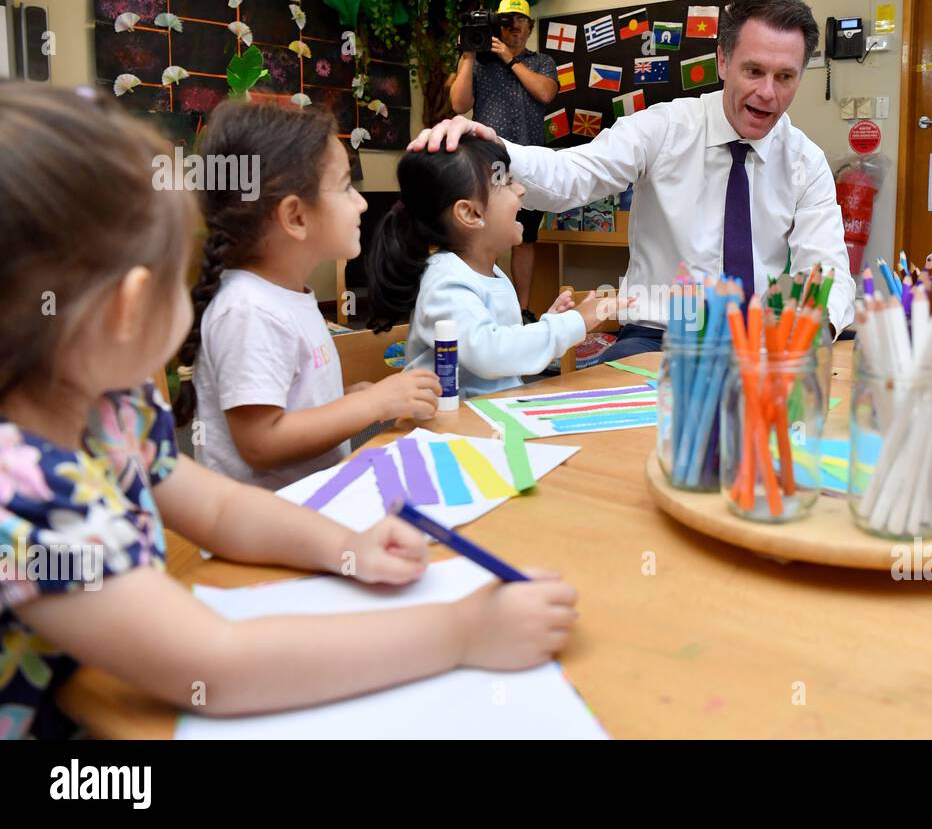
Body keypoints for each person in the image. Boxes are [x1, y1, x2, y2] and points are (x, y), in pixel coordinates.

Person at [0, 83, 578, 739]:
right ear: (130, 308)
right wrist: (461, 631)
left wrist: (345, 548)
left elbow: (218, 508)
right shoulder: (24, 494)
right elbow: (214, 665)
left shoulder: (113, 412)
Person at [414, 0, 854, 360]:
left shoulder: (805, 161)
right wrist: (495, 147)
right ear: (722, 61)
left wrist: (814, 327)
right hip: (660, 336)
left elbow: (829, 272)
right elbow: (572, 175)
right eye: (754, 71)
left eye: (785, 77)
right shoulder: (664, 127)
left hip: (761, 342)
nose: (767, 93)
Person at [174, 102, 442, 489]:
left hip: (309, 506)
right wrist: (371, 404)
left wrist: (349, 399)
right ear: (296, 217)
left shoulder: (285, 295)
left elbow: (289, 405)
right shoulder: (249, 311)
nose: (362, 202)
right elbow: (261, 443)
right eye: (347, 187)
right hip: (263, 535)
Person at [366, 138, 622, 398]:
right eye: (508, 183)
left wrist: (548, 323)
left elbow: (500, 340)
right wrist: (575, 322)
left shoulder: (491, 273)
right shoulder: (446, 282)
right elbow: (489, 354)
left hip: (490, 417)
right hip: (449, 427)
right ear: (471, 214)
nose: (521, 190)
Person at [449, 0, 559, 320]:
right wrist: (468, 55)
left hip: (529, 163)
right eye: (506, 22)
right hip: (487, 163)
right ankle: (488, 307)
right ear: (497, 25)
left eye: (519, 22)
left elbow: (546, 92)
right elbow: (458, 105)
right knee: (486, 235)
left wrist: (511, 59)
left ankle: (522, 309)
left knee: (525, 238)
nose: (513, 27)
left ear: (530, 26)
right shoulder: (480, 63)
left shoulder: (541, 62)